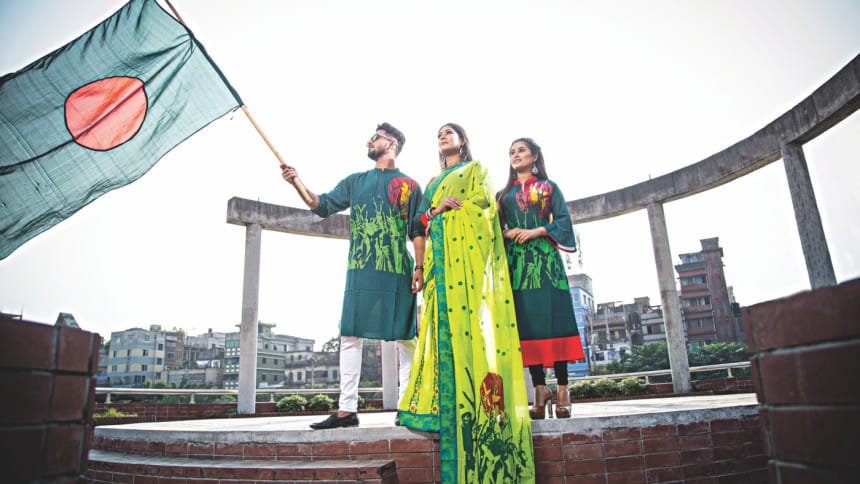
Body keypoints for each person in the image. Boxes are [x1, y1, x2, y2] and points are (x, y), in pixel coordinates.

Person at [398, 123, 535, 483]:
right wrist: (436, 214)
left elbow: (484, 208)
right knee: (438, 333)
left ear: (462, 141)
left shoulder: (476, 170)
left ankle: (483, 405)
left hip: (467, 265)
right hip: (440, 268)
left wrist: (446, 215)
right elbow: (419, 222)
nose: (442, 136)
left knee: (473, 330)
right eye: (439, 134)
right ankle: (440, 404)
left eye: (449, 132)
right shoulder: (432, 184)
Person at [280, 122, 425, 430]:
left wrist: (419, 267)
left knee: (405, 338)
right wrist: (296, 182)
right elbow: (321, 205)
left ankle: (407, 407)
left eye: (375, 138)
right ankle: (346, 410)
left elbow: (416, 230)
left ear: (392, 144)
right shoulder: (355, 181)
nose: (369, 142)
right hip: (360, 269)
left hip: (398, 269)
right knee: (349, 334)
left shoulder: (411, 186)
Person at [496, 137, 584, 419]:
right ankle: (539, 389)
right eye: (512, 152)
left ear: (535, 156)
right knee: (527, 324)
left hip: (546, 264)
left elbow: (563, 220)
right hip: (518, 268)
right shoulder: (502, 195)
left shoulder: (549, 187)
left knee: (555, 319)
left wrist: (537, 231)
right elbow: (494, 229)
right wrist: (508, 232)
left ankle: (563, 389)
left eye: (521, 150)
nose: (515, 155)